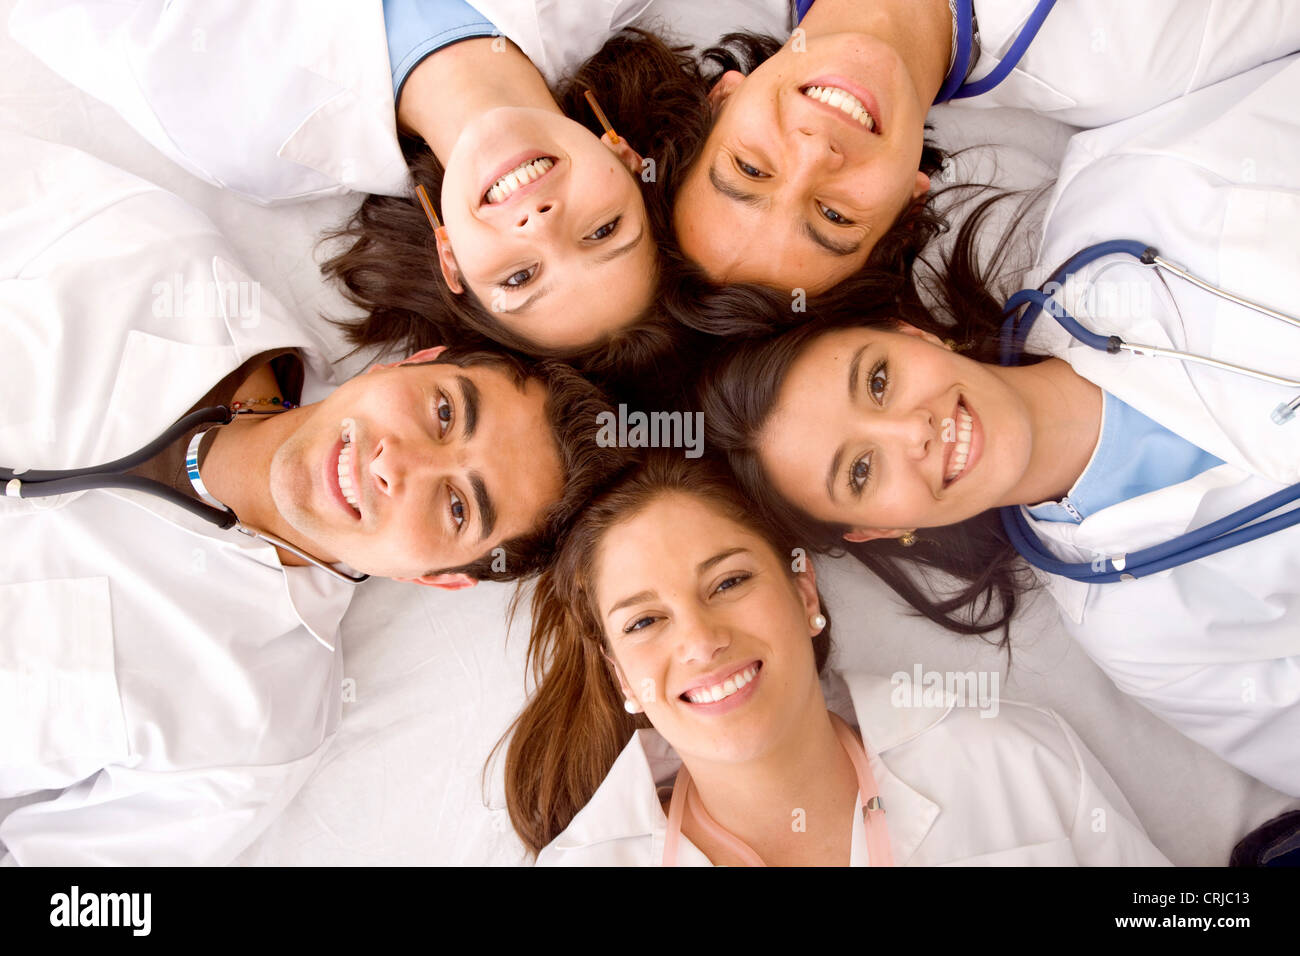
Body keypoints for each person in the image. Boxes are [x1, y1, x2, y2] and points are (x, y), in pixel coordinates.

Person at [0, 134, 626, 865]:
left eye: (457, 508)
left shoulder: (248, 738)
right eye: (444, 413)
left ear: (440, 577)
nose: (401, 466)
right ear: (414, 362)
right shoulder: (146, 251)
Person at [697, 56, 1300, 795]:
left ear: (912, 334)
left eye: (878, 380)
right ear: (877, 531)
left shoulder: (1137, 188)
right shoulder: (1149, 635)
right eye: (860, 472)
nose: (910, 433)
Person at [501, 453, 1169, 866]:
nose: (701, 641)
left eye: (730, 582)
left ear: (803, 590)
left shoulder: (1010, 762)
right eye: (645, 621)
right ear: (623, 678)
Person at [8, 1, 701, 369]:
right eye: (604, 231)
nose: (541, 224)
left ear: (450, 258)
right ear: (625, 155)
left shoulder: (247, 133)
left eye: (519, 279)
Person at [670, 0, 1300, 296]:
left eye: (750, 168)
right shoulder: (1138, 60)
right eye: (834, 216)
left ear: (723, 98)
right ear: (910, 206)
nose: (814, 153)